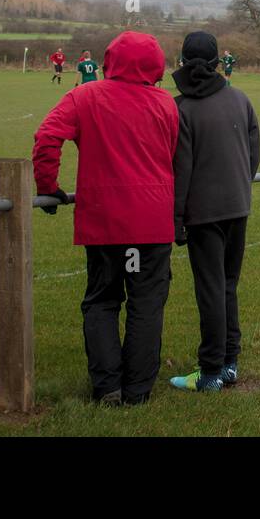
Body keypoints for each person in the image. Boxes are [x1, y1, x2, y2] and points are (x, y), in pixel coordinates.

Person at [32, 31, 178, 406]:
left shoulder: (85, 95)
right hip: (151, 221)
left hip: (105, 220)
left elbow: (48, 136)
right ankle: (138, 390)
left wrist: (48, 186)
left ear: (110, 59)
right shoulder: (165, 103)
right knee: (146, 304)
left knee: (102, 301)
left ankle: (107, 387)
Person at [168, 32, 260, 393]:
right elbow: (253, 153)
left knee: (210, 289)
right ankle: (230, 364)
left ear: (182, 61)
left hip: (203, 214)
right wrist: (239, 185)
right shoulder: (240, 98)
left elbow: (182, 169)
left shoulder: (182, 108)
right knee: (227, 286)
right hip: (238, 206)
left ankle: (209, 373)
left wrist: (176, 219)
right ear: (217, 62)